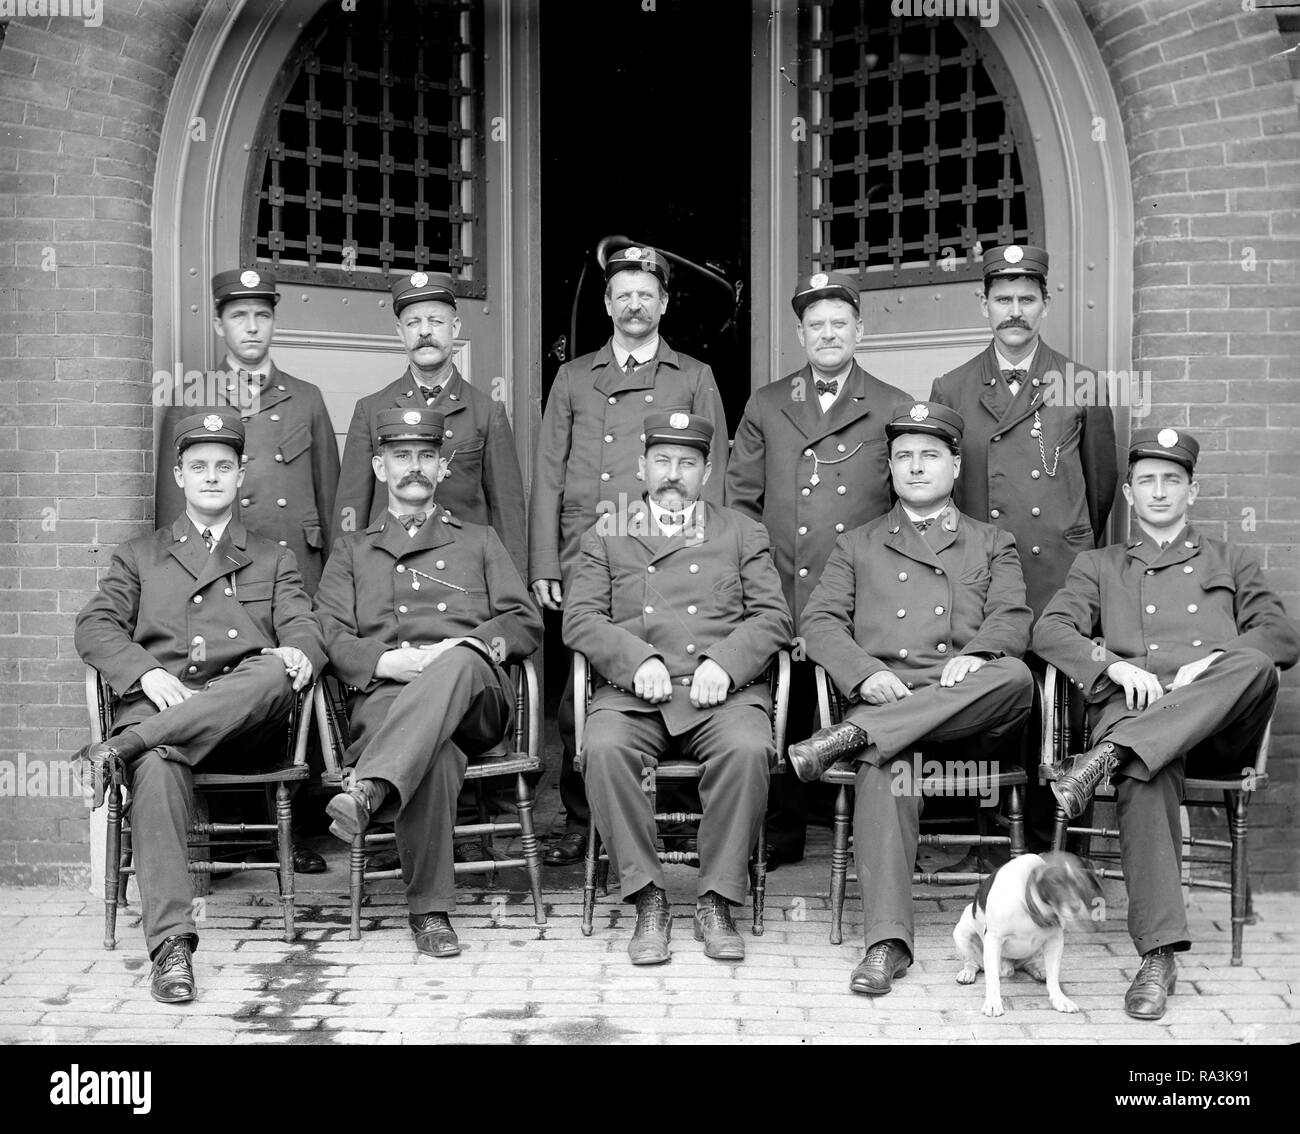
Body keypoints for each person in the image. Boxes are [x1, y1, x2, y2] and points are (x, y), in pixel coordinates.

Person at [1033, 427, 1298, 1020]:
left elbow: (1281, 637)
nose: (1158, 491)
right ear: (1128, 493)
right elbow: (1050, 631)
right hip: (1136, 710)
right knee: (1146, 770)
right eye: (1146, 481)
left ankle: (1109, 754)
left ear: (1192, 490)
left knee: (1253, 659)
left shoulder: (1232, 559)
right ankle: (1158, 956)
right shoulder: (1099, 564)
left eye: (1172, 480)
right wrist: (1114, 665)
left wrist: (1214, 663)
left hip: (1215, 729)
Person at [75, 410, 325, 1004]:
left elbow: (303, 627)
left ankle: (124, 745)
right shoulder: (140, 554)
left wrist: (303, 655)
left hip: (244, 726)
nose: (211, 477)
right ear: (181, 478)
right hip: (165, 715)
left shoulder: (272, 556)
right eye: (198, 467)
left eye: (223, 467)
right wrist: (146, 671)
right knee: (159, 763)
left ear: (241, 477)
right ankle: (170, 951)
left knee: (272, 666)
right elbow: (95, 627)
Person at [791, 402, 1034, 996]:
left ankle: (853, 735)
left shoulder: (991, 542)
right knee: (883, 764)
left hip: (967, 711)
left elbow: (1013, 617)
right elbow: (818, 622)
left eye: (930, 456)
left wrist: (979, 654)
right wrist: (863, 673)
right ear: (891, 470)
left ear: (954, 466)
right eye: (904, 457)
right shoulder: (858, 545)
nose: (916, 468)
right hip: (887, 701)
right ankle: (887, 944)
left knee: (1016, 678)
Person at [563, 412, 791, 964]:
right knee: (605, 749)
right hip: (634, 693)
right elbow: (580, 618)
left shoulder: (741, 531)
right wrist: (635, 657)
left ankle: (716, 898)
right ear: (642, 467)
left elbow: (774, 617)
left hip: (722, 695)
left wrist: (726, 661)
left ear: (707, 470)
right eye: (662, 461)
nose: (673, 474)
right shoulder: (608, 531)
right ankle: (647, 897)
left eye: (687, 463)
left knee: (748, 750)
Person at [315, 408, 542, 958]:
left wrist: (456, 649)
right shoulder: (353, 549)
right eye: (400, 457)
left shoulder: (480, 541)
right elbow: (327, 631)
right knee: (436, 757)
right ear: (378, 466)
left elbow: (524, 621)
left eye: (425, 457)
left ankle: (367, 785)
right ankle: (431, 913)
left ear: (442, 468)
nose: (413, 468)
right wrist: (386, 663)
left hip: (477, 702)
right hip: (391, 699)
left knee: (460, 658)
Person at [531, 244, 730, 866]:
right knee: (579, 692)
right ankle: (582, 816)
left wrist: (708, 555)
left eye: (647, 293)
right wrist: (543, 561)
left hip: (671, 554)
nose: (635, 303)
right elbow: (548, 472)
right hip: (588, 552)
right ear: (607, 304)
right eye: (624, 293)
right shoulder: (574, 376)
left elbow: (714, 475)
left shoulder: (694, 375)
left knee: (674, 672)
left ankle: (674, 815)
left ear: (664, 303)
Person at [726, 270, 910, 868]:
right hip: (780, 581)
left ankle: (861, 830)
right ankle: (780, 830)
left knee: (859, 704)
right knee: (780, 705)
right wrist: (752, 576)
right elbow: (741, 499)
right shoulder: (768, 401)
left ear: (861, 329)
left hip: (862, 590)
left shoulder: (891, 405)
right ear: (800, 335)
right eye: (815, 326)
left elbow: (903, 504)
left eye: (839, 323)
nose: (827, 334)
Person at [929, 245, 1117, 618]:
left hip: (1058, 566)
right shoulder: (951, 388)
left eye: (1027, 299)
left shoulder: (1083, 383)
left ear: (1045, 305)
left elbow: (1100, 487)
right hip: (982, 569)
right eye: (1003, 300)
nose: (1015, 312)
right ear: (984, 305)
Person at [155, 268, 340, 596]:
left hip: (299, 568)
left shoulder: (307, 398)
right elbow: (172, 509)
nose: (252, 327)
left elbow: (330, 501)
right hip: (221, 570)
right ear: (218, 325)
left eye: (262, 316)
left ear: (274, 321)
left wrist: (337, 584)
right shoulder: (191, 397)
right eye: (239, 316)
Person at [333, 271, 526, 575]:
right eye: (413, 323)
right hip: (387, 572)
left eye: (435, 321)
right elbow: (351, 509)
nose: (425, 331)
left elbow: (508, 514)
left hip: (465, 574)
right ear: (400, 332)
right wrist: (343, 580)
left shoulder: (488, 412)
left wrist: (513, 587)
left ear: (455, 327)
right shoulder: (370, 410)